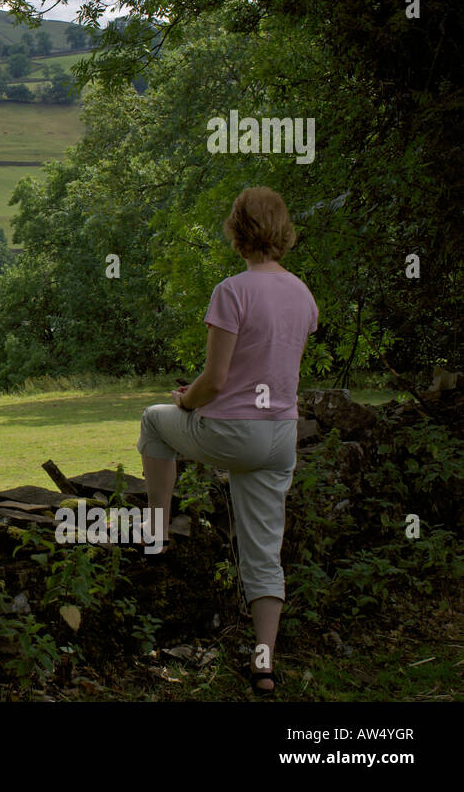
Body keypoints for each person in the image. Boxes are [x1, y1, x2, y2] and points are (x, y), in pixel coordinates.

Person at [135, 186, 318, 697]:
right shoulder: (303, 294)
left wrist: (185, 401)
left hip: (233, 432)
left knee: (154, 421)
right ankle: (263, 665)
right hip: (280, 437)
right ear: (282, 232)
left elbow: (215, 380)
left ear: (237, 233)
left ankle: (156, 533)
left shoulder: (232, 290)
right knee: (264, 553)